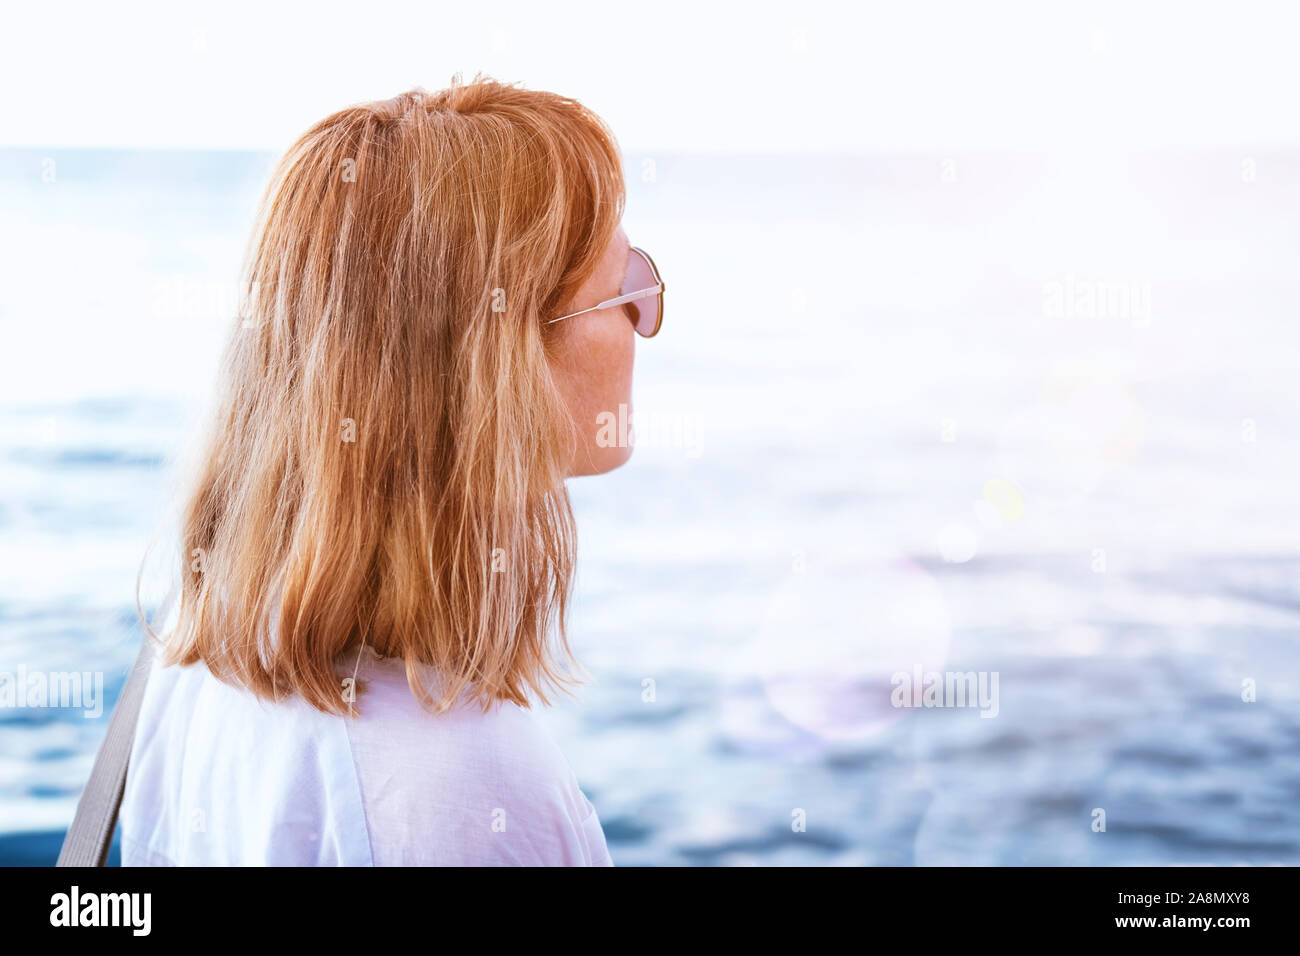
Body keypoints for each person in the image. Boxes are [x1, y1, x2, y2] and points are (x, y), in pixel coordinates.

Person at [119, 77, 665, 866]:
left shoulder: (195, 663)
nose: (647, 314)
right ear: (504, 363)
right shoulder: (466, 781)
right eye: (627, 287)